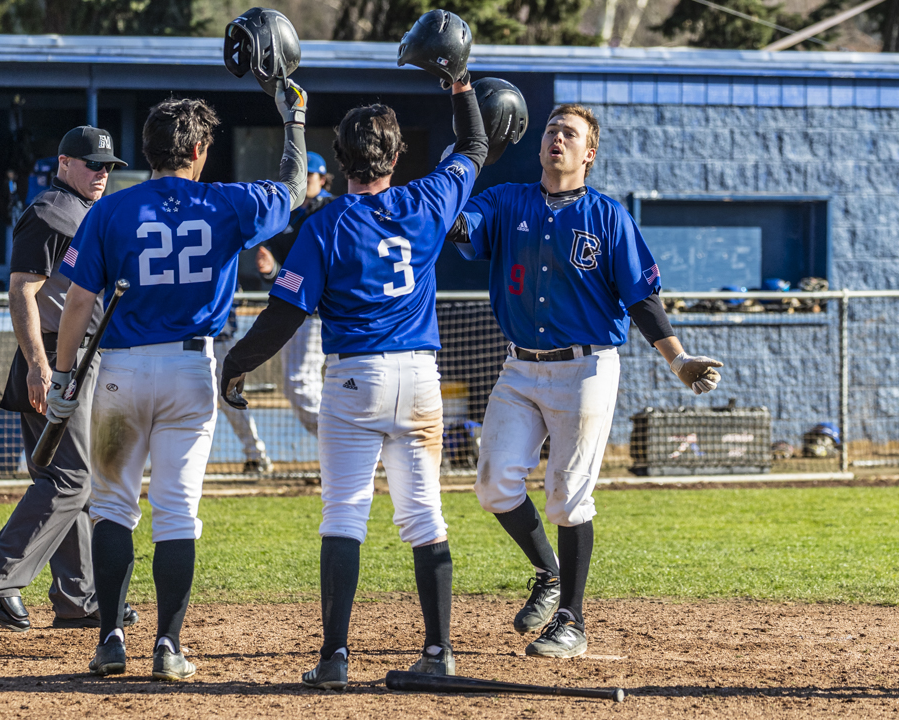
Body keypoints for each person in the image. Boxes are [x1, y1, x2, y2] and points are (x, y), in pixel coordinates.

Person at [220, 77, 487, 686]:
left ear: (339, 159)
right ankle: (440, 652)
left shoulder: (326, 224)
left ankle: (335, 657)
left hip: (354, 377)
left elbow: (285, 314)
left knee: (344, 513)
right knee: (425, 516)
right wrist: (460, 83)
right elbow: (472, 144)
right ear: (396, 157)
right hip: (420, 375)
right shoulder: (428, 199)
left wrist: (236, 363)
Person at [46, 83, 308, 680]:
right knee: (178, 514)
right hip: (191, 369)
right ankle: (167, 645)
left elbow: (79, 300)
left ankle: (110, 637)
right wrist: (294, 117)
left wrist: (63, 375)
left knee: (112, 507)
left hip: (121, 372)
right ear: (198, 149)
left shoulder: (111, 209)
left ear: (150, 148)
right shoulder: (228, 202)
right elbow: (292, 190)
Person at [448, 103, 723, 659]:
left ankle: (572, 621)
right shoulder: (505, 201)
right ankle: (549, 575)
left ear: (589, 153)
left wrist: (679, 359)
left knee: (569, 498)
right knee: (494, 484)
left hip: (586, 368)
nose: (556, 137)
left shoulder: (607, 215)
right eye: (551, 129)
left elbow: (641, 297)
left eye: (569, 133)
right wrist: (469, 160)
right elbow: (454, 224)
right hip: (520, 366)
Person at [0, 126, 137, 633]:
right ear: (63, 164)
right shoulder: (49, 211)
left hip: (82, 358)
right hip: (58, 358)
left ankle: (78, 598)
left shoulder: (86, 211)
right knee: (70, 477)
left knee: (80, 479)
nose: (101, 173)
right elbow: (21, 292)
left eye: (107, 166)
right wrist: (41, 368)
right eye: (91, 163)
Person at [253, 151, 336, 437]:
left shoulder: (334, 208)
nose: (305, 182)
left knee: (303, 381)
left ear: (322, 179)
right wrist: (270, 269)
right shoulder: (287, 215)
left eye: (309, 176)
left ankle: (340, 440)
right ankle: (340, 442)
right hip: (298, 309)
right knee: (297, 383)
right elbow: (283, 272)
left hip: (325, 309)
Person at [214, 309, 273, 473]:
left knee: (231, 402)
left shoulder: (227, 282)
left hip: (220, 343)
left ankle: (256, 456)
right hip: (188, 347)